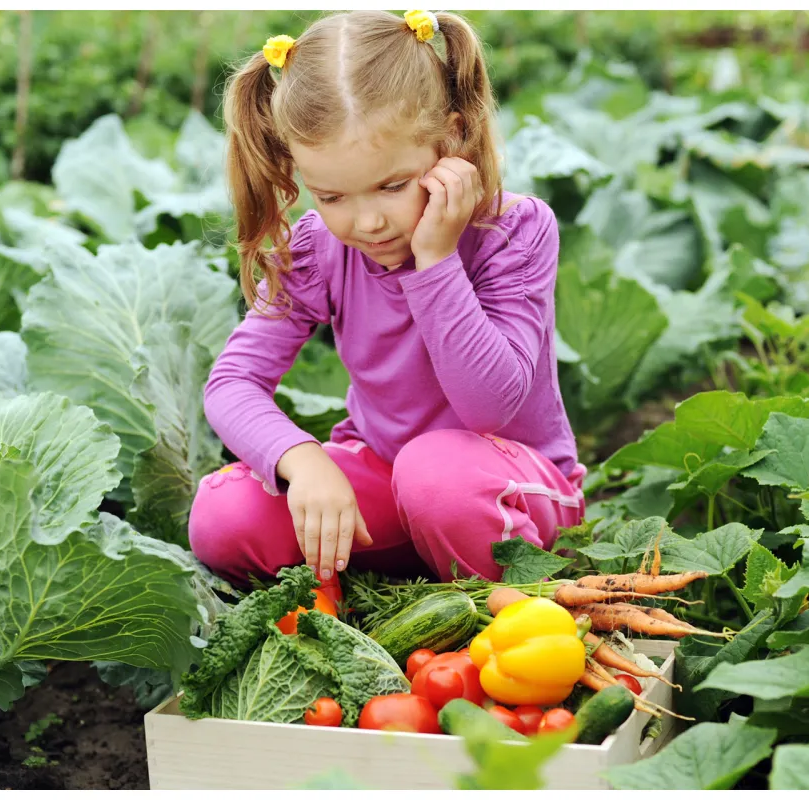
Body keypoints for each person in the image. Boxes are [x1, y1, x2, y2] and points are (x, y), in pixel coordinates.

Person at [189, 9, 585, 588]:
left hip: (508, 485)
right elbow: (233, 384)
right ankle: (409, 573)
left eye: (392, 186)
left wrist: (436, 262)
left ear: (448, 142)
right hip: (387, 479)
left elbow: (488, 407)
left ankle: (516, 591)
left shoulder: (513, 231)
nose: (368, 222)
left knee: (434, 476)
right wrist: (303, 463)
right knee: (225, 515)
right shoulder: (320, 247)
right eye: (332, 196)